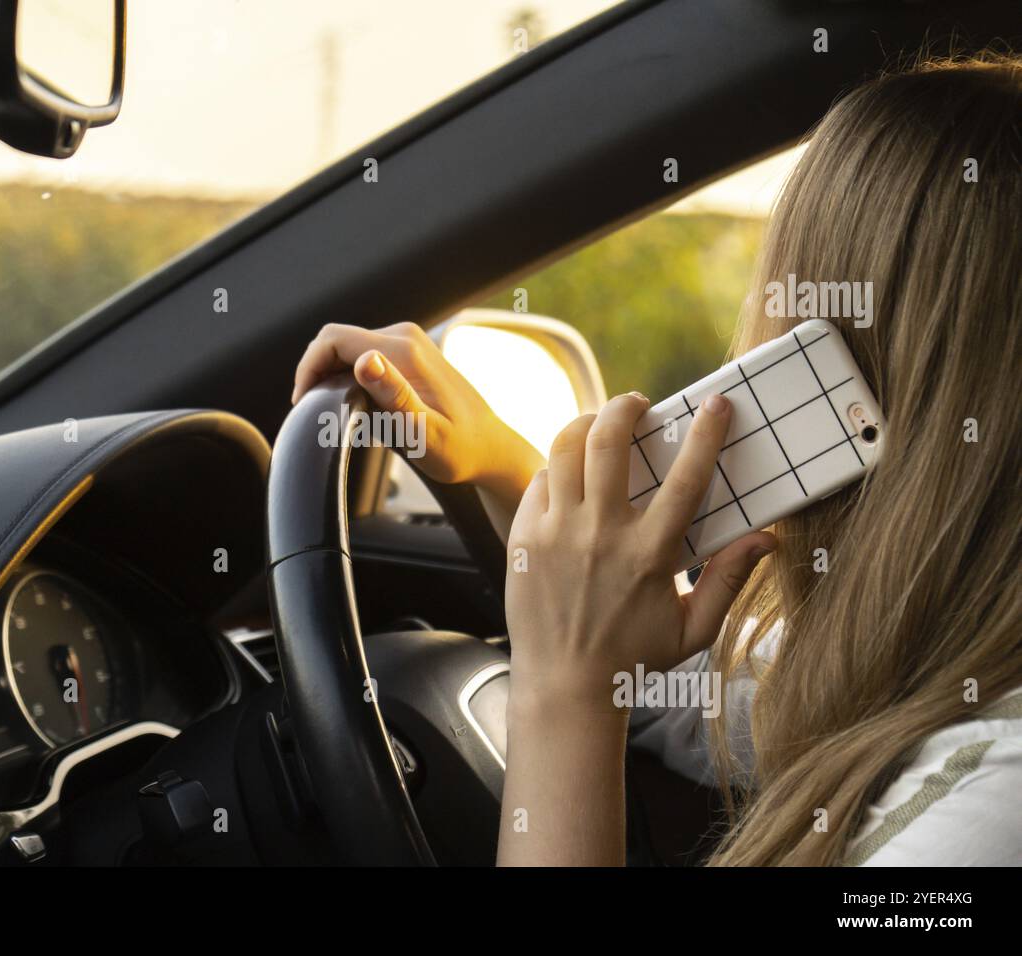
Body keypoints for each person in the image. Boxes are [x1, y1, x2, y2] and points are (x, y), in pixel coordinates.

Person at [292, 54, 1022, 866]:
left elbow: (623, 696)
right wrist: (505, 467)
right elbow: (680, 700)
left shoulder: (994, 808)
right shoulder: (917, 669)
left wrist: (565, 701)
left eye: (780, 300)